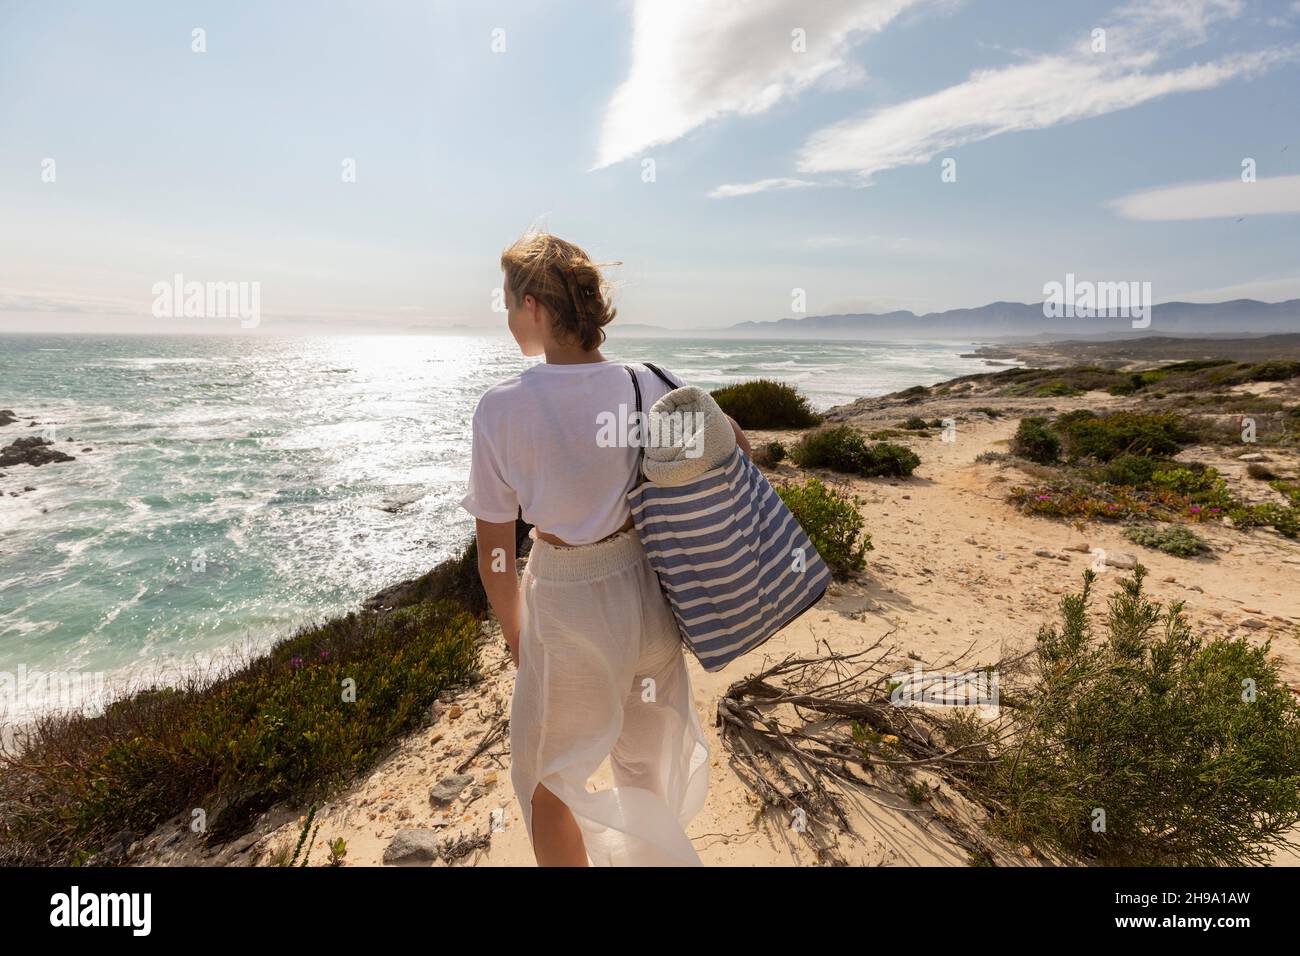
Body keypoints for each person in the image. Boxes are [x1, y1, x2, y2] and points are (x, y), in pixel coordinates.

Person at [459, 231, 750, 866]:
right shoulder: (651, 383)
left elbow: (496, 555)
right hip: (649, 600)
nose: (508, 319)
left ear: (534, 307)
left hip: (569, 605)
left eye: (508, 304)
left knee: (546, 781)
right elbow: (736, 447)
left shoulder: (501, 408)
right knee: (644, 769)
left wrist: (516, 636)